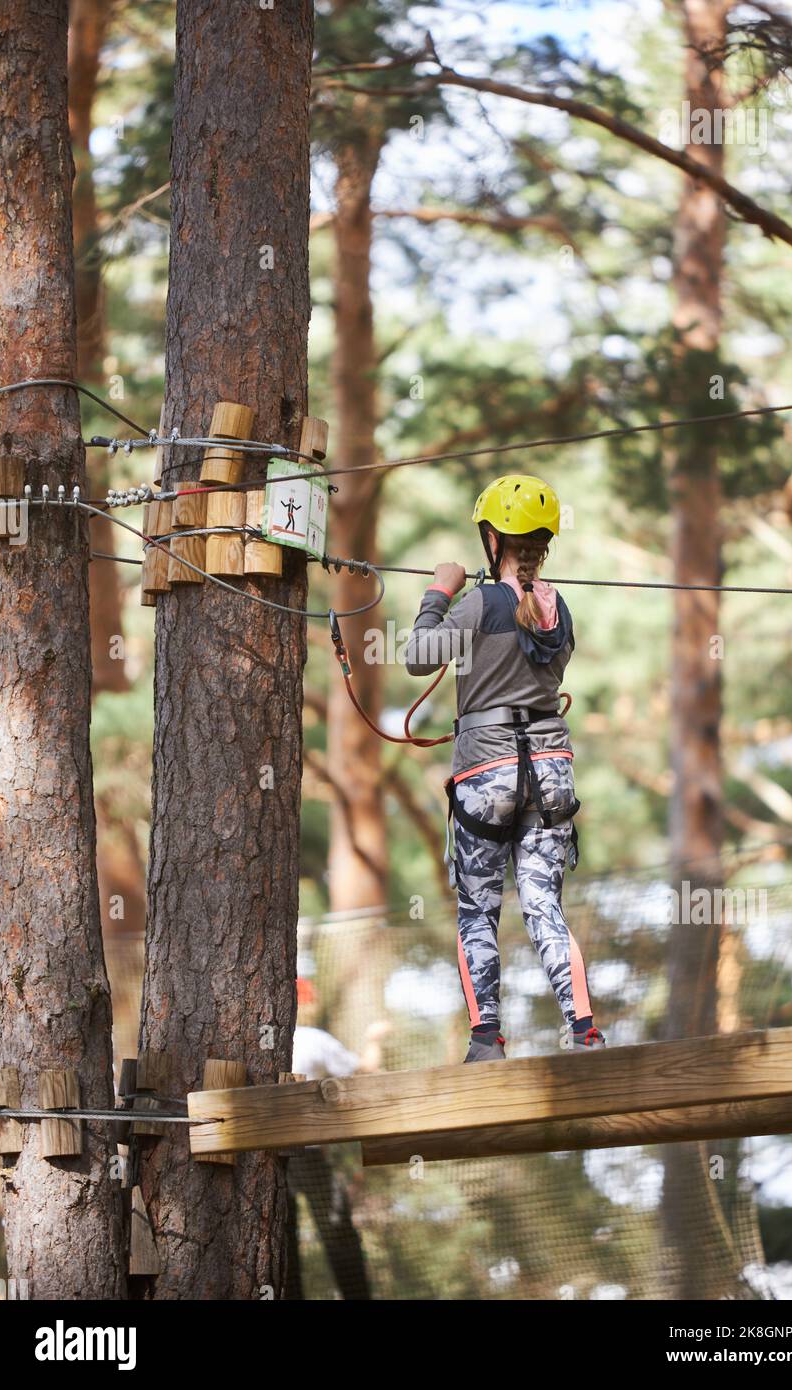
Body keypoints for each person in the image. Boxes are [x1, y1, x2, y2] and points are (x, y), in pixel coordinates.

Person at [405, 475, 605, 1062]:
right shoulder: (557, 609)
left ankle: (487, 1041)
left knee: (477, 911)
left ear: (491, 538)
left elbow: (418, 657)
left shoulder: (480, 603)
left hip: (485, 773)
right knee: (544, 905)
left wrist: (439, 593)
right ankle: (585, 1030)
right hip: (550, 775)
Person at [284, 979, 390, 1300]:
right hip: (310, 1155)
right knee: (338, 1231)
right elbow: (363, 1070)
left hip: (268, 1156)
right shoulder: (313, 1038)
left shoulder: (265, 1038)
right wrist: (374, 1039)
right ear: (307, 1004)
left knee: (281, 1236)